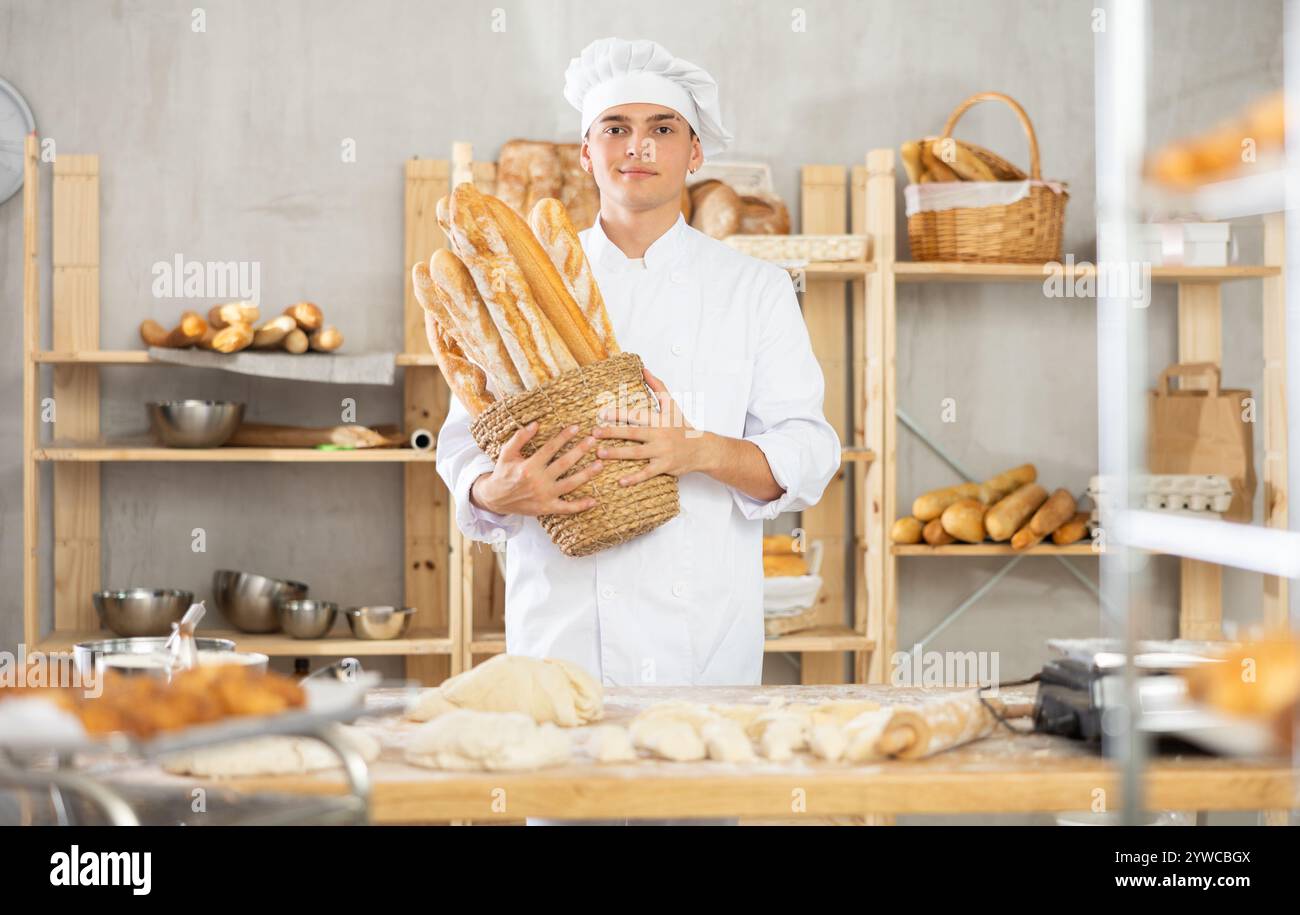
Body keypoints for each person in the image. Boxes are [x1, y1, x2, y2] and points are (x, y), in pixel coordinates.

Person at [435, 37, 840, 824]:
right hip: (560, 638)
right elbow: (461, 445)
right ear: (586, 153)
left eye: (661, 127)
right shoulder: (521, 282)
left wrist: (700, 450)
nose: (637, 146)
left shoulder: (753, 290)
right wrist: (495, 488)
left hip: (703, 650)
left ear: (694, 152)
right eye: (615, 127)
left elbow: (811, 450)